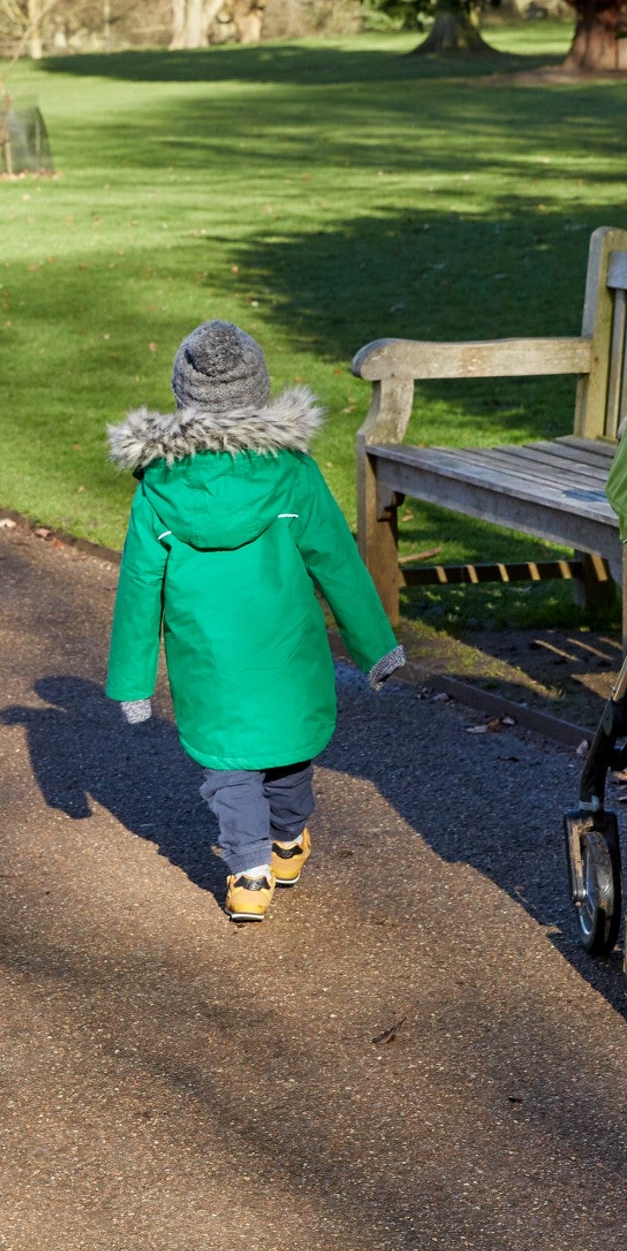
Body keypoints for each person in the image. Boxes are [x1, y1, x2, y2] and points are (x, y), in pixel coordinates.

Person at [103, 320, 406, 923]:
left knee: (228, 760)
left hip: (208, 655)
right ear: (259, 390)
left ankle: (248, 873)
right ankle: (285, 843)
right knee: (287, 748)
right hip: (285, 650)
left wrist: (133, 683)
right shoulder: (292, 473)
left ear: (183, 394)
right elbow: (338, 564)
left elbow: (139, 587)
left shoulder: (160, 488)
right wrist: (376, 646)